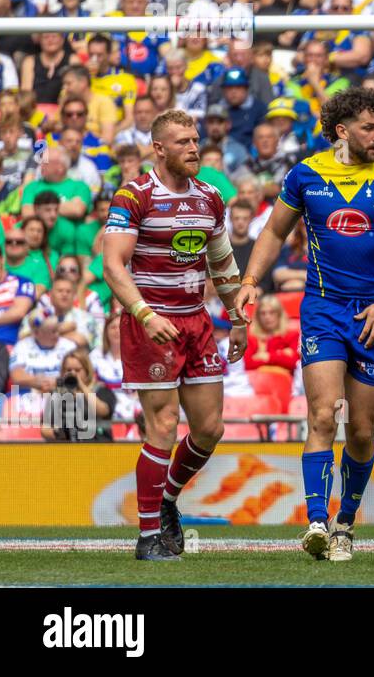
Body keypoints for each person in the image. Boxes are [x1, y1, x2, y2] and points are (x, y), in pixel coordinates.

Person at [237, 88, 374, 562]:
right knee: (322, 415)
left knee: (361, 431)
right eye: (369, 127)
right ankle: (316, 520)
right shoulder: (306, 175)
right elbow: (275, 231)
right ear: (342, 131)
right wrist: (252, 279)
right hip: (322, 309)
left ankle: (346, 522)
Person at [102, 109, 248, 561]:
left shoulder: (210, 196)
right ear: (159, 148)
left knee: (209, 429)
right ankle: (148, 538)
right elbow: (113, 265)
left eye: (196, 140)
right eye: (183, 141)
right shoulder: (134, 196)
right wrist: (145, 315)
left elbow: (221, 262)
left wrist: (237, 316)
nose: (194, 148)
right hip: (152, 324)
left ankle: (167, 500)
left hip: (196, 322)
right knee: (163, 426)